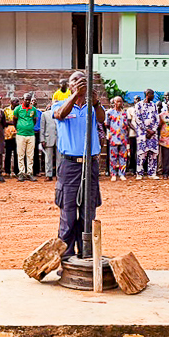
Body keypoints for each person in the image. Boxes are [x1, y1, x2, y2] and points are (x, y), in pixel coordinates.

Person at [53, 70, 105, 259]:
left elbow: (102, 118)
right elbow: (59, 114)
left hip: (90, 164)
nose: (80, 82)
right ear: (69, 85)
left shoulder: (92, 107)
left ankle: (86, 254)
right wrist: (75, 94)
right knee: (67, 213)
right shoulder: (60, 104)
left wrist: (95, 101)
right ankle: (66, 258)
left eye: (83, 79)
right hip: (70, 165)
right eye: (75, 80)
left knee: (87, 212)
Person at [134, 89, 160, 180]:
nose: (153, 96)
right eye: (152, 94)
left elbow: (157, 119)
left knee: (153, 154)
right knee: (142, 154)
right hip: (142, 134)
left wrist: (153, 130)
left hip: (153, 134)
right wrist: (146, 130)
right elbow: (137, 119)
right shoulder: (138, 105)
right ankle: (140, 173)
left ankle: (152, 173)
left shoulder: (154, 105)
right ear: (147, 94)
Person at [13, 93, 39, 182]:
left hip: (31, 135)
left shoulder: (33, 109)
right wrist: (19, 128)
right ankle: (21, 173)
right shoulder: (18, 109)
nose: (27, 101)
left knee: (30, 155)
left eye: (29, 99)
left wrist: (29, 126)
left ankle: (29, 173)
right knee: (20, 154)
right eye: (26, 99)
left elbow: (35, 120)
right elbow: (14, 120)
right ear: (22, 99)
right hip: (20, 134)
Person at [104, 97, 129, 181]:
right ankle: (113, 174)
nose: (119, 103)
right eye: (117, 101)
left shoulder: (124, 113)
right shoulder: (109, 113)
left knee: (123, 156)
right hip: (113, 137)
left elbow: (126, 125)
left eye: (120, 102)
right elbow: (106, 124)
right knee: (113, 157)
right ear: (114, 102)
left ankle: (122, 173)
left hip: (123, 137)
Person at [39, 104, 59, 181]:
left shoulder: (60, 113)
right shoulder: (45, 114)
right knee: (48, 158)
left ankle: (59, 174)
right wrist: (42, 139)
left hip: (59, 139)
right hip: (48, 138)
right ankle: (48, 174)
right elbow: (42, 127)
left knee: (59, 159)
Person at [3, 97, 18, 176]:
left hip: (17, 134)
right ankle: (7, 171)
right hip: (8, 134)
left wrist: (12, 122)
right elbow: (4, 121)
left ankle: (16, 171)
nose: (18, 103)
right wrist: (14, 122)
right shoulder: (6, 110)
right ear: (11, 102)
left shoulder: (19, 110)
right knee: (8, 153)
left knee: (16, 153)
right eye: (16, 101)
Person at [126, 95, 140, 175]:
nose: (137, 100)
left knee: (139, 152)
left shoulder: (142, 109)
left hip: (141, 134)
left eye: (138, 99)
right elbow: (128, 122)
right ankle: (132, 168)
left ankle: (139, 168)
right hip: (133, 134)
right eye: (136, 99)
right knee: (132, 151)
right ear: (134, 101)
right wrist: (135, 129)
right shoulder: (130, 110)